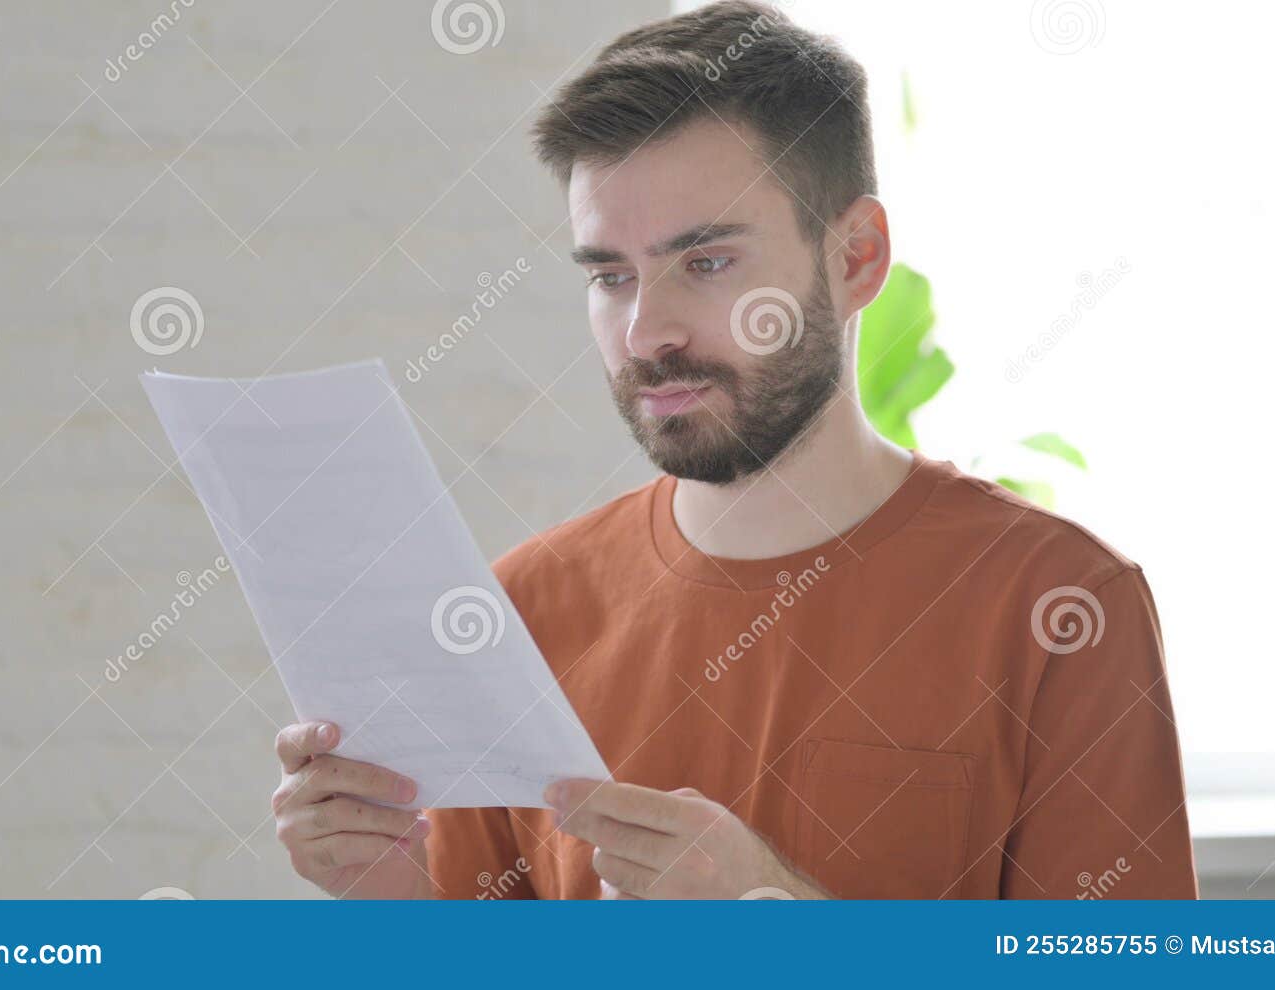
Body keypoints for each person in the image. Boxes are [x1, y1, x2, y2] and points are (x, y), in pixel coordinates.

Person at [271, 0, 1197, 900]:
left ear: (856, 257)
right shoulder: (519, 612)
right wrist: (390, 899)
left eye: (706, 263)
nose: (647, 332)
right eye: (611, 276)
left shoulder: (1059, 605)